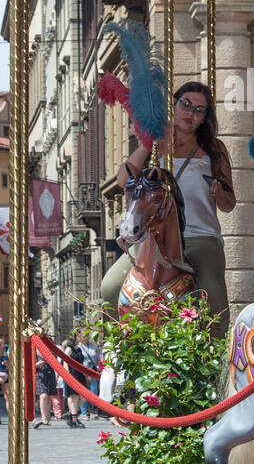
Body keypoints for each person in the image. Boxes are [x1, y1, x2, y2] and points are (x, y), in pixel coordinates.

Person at [101, 81, 237, 334]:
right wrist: (149, 139)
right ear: (173, 105)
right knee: (110, 287)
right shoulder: (154, 145)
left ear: (205, 118)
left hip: (200, 235)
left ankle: (215, 358)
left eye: (199, 110)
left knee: (214, 299)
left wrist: (219, 193)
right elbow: (123, 180)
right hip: (153, 238)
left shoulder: (214, 150)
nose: (190, 113)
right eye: (186, 105)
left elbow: (229, 204)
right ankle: (119, 350)